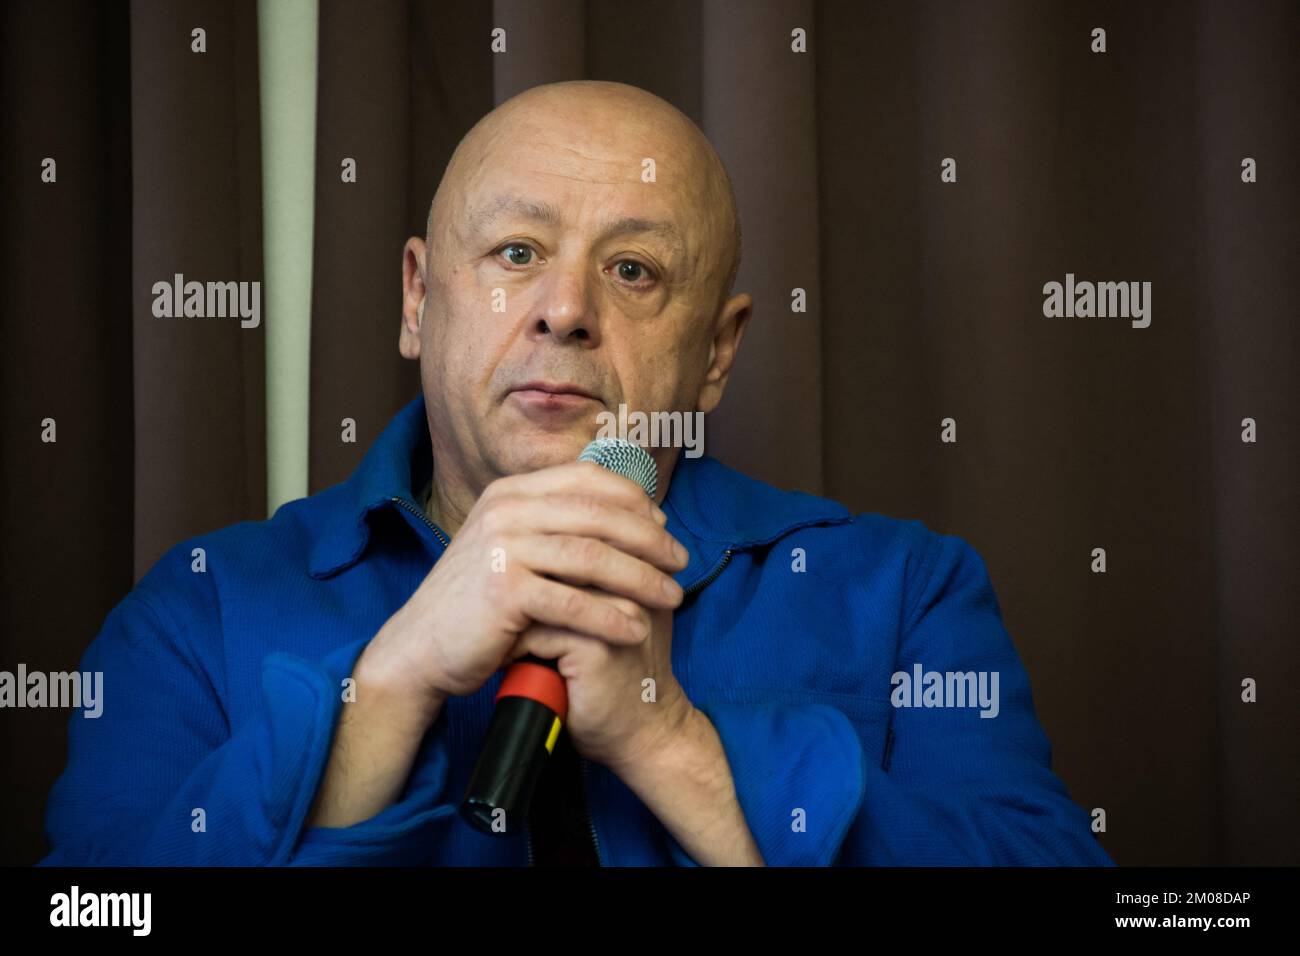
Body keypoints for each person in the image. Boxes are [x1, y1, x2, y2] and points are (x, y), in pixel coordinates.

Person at [40, 79, 1113, 867]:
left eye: (634, 270)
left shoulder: (909, 592)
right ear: (418, 299)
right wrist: (389, 685)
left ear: (718, 353)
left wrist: (673, 741)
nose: (565, 309)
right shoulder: (192, 608)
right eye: (516, 252)